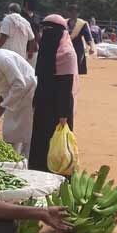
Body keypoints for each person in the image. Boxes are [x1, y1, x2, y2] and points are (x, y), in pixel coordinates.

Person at [29, 14, 78, 172]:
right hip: (43, 102)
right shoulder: (46, 49)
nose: (46, 33)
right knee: (40, 140)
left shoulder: (67, 54)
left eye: (51, 30)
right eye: (45, 29)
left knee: (57, 144)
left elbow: (65, 88)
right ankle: (38, 171)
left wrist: (63, 115)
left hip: (59, 108)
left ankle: (58, 177)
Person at [66, 4, 95, 75]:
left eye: (75, 12)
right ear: (68, 13)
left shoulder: (82, 24)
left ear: (78, 14)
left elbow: (88, 36)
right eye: (71, 12)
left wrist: (92, 47)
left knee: (76, 67)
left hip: (77, 48)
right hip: (66, 47)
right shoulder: (64, 22)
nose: (73, 14)